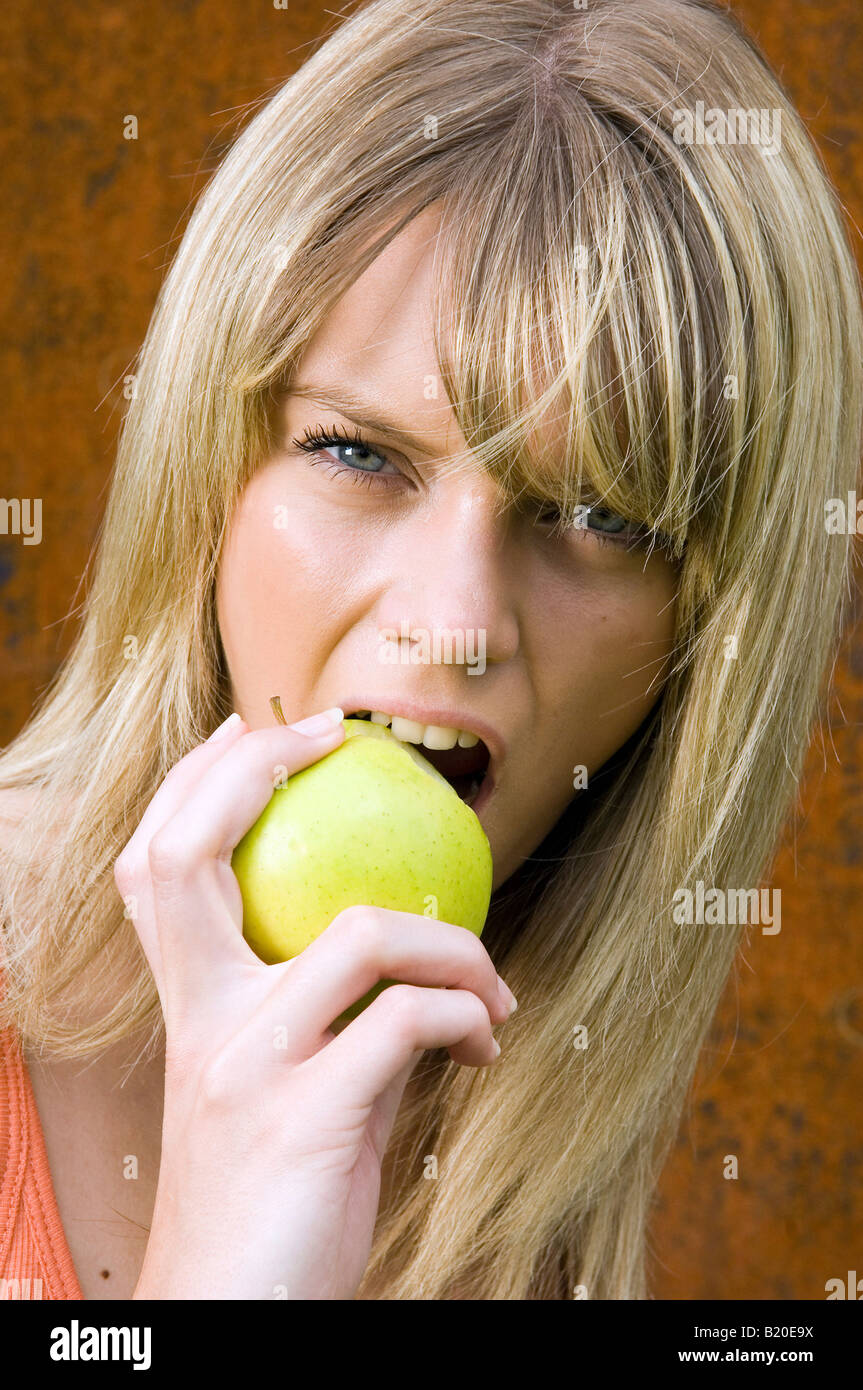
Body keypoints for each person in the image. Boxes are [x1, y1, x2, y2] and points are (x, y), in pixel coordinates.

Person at [1, 0, 861, 1301]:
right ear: (207, 464)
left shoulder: (543, 1171)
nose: (456, 619)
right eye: (358, 453)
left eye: (599, 517)